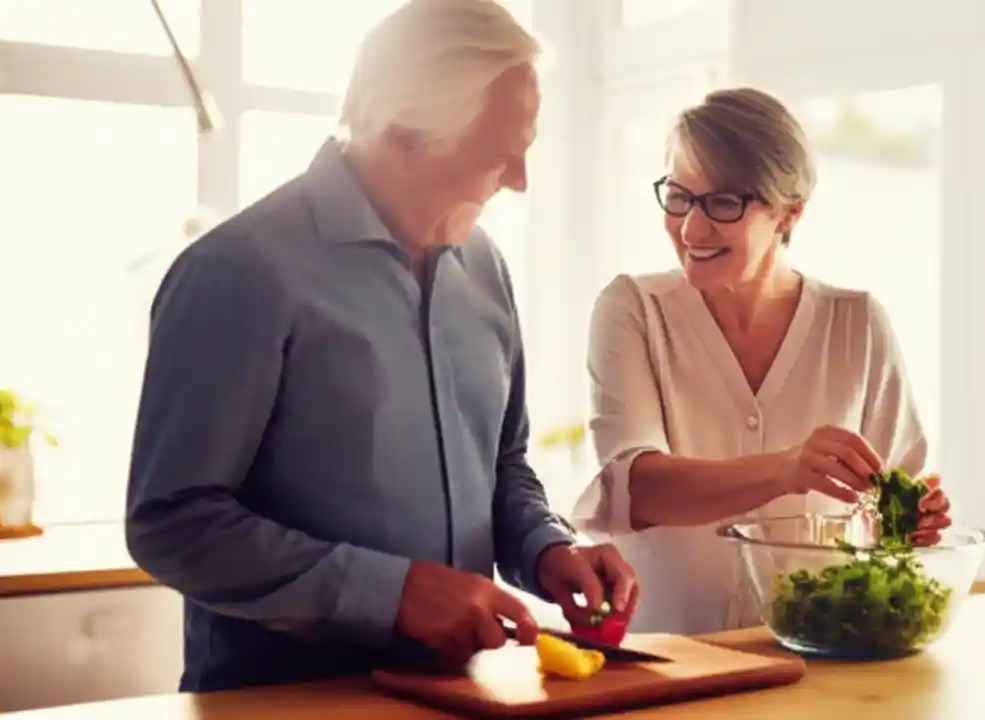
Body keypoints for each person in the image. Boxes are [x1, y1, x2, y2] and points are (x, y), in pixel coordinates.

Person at [126, 0, 636, 692]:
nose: (520, 179)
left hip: (462, 696)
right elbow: (172, 522)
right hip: (278, 704)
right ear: (403, 135)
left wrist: (546, 546)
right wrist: (394, 592)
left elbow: (504, 467)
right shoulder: (240, 273)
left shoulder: (484, 265)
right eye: (497, 153)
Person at [571, 88, 950, 635]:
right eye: (679, 196)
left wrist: (913, 521)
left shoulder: (857, 325)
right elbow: (639, 488)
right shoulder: (634, 309)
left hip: (818, 661)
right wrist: (786, 467)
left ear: (788, 213)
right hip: (670, 662)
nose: (691, 229)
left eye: (724, 203)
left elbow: (889, 510)